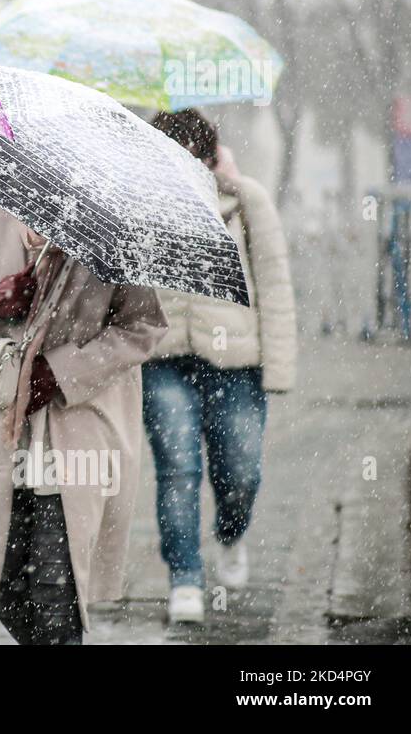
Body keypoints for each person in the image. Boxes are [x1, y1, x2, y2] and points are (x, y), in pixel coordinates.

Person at [0, 198, 166, 644]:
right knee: (4, 583)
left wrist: (60, 372)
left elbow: (141, 326)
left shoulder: (112, 228)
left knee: (55, 587)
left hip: (74, 432)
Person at [144, 110, 296, 623]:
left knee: (240, 473)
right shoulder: (139, 205)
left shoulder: (245, 198)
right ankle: (184, 577)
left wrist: (278, 369)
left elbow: (273, 285)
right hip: (164, 360)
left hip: (236, 362)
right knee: (178, 470)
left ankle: (231, 533)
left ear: (209, 158)